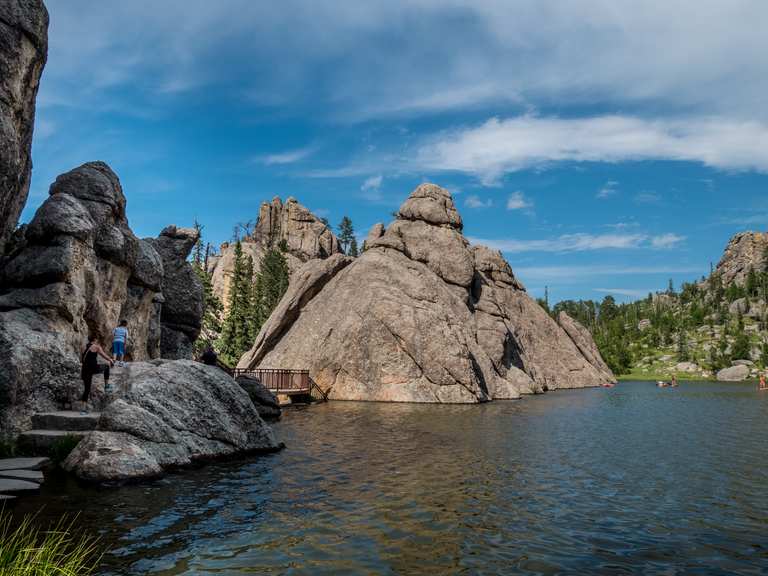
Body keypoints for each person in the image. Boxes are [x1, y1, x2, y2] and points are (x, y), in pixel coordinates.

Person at [81, 336, 114, 414]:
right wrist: (110, 360)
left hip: (85, 369)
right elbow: (103, 355)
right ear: (95, 340)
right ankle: (106, 386)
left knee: (87, 389)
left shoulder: (83, 347)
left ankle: (83, 410)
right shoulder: (96, 346)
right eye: (96, 340)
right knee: (106, 367)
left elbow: (82, 358)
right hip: (93, 367)